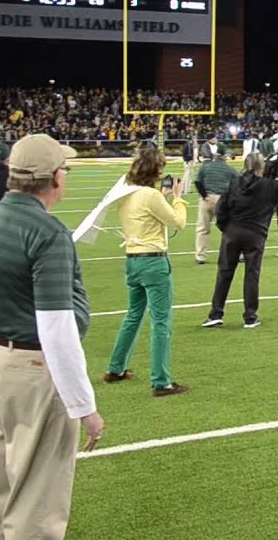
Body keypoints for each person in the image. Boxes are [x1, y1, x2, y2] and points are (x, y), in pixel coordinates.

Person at [0, 134, 103, 540]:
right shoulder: (48, 232)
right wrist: (83, 406)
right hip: (31, 369)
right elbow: (57, 328)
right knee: (36, 502)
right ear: (56, 178)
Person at [102, 147, 190, 397]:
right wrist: (178, 198)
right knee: (161, 322)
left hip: (132, 259)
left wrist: (161, 196)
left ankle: (116, 368)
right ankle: (161, 381)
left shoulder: (126, 193)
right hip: (153, 262)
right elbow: (178, 222)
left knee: (133, 315)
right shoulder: (151, 196)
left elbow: (146, 213)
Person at [202, 153, 278, 328]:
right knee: (252, 275)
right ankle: (250, 317)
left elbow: (221, 208)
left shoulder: (234, 182)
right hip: (255, 234)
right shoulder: (268, 185)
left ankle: (215, 314)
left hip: (232, 231)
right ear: (261, 166)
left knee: (224, 274)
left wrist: (226, 228)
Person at [193, 149, 238, 264]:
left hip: (206, 199)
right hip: (222, 200)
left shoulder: (205, 167)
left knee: (203, 229)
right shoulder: (230, 170)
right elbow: (237, 185)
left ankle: (200, 256)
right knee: (230, 228)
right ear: (224, 156)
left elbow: (197, 182)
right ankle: (234, 253)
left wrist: (205, 196)